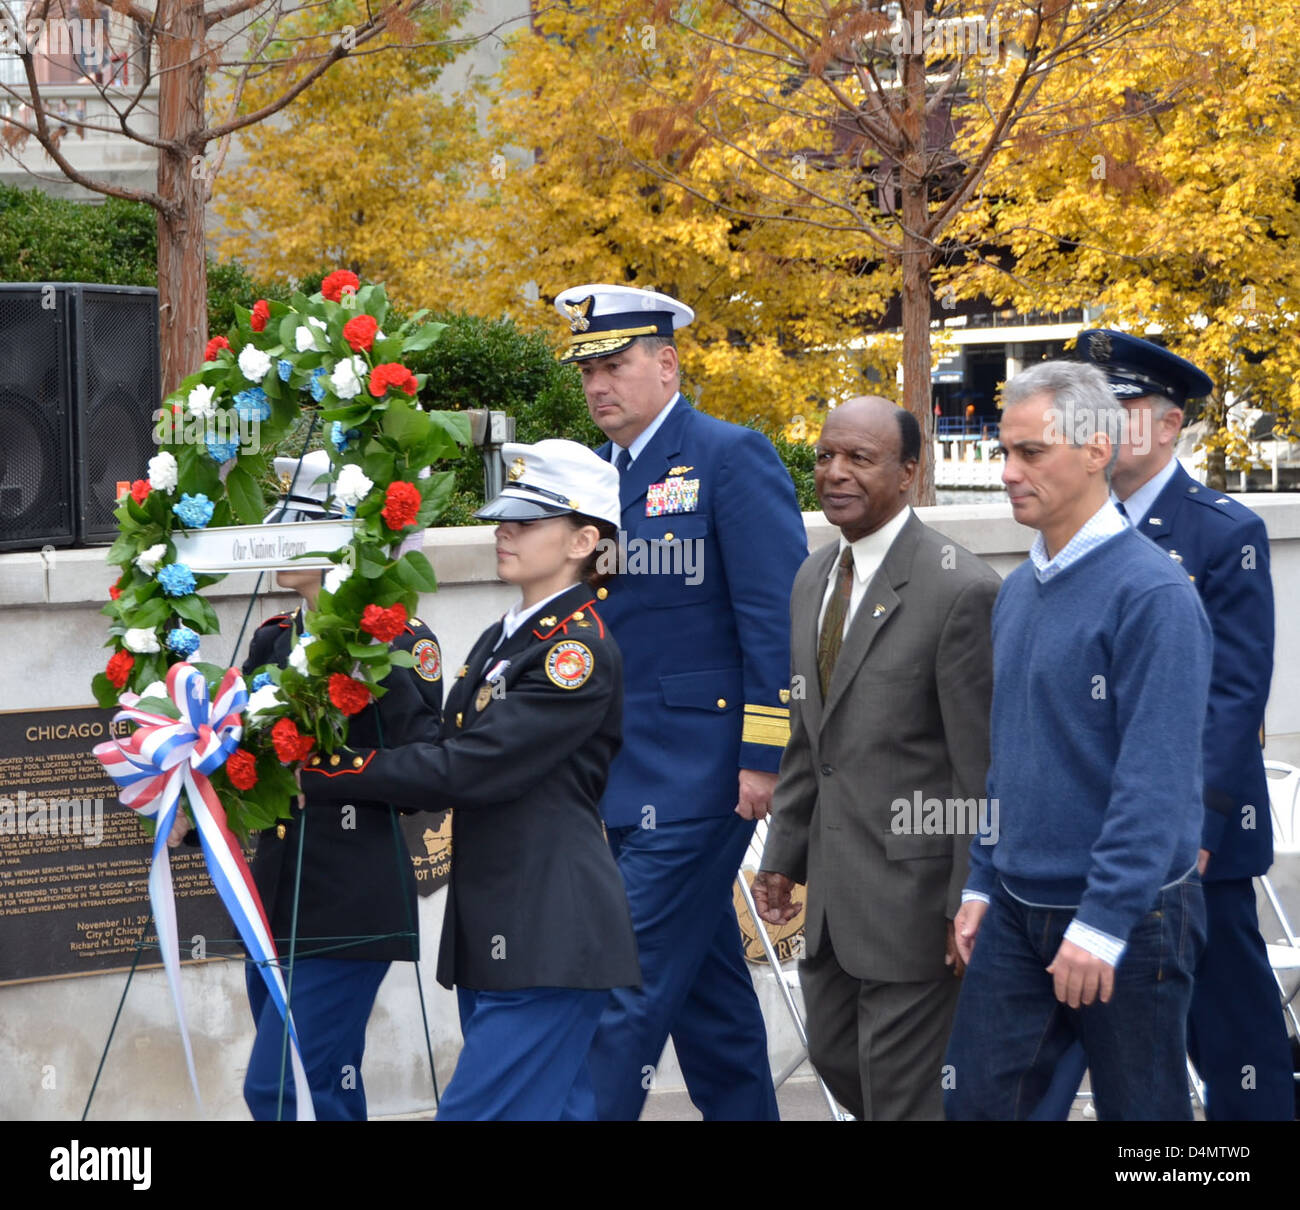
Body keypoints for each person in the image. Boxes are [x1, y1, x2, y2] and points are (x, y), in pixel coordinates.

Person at [302, 439, 641, 1120]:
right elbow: (436, 742)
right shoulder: (504, 637)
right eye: (503, 518)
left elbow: (468, 768)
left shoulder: (573, 651)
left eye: (528, 521)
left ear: (583, 539)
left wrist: (326, 772)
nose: (505, 531)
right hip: (505, 928)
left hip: (548, 931)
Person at [552, 283, 808, 1120]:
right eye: (587, 368)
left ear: (666, 364)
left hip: (702, 779)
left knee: (615, 987)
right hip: (621, 776)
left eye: (615, 364)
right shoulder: (597, 480)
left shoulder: (730, 457)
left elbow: (775, 621)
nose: (598, 384)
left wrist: (764, 758)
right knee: (713, 1009)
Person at [1030, 331, 1292, 1121]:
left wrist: (1196, 818)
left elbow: (1233, 694)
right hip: (1081, 837)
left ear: (1169, 425)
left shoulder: (1221, 531)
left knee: (1233, 1043)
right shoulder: (1068, 524)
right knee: (1056, 1047)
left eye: (1119, 407)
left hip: (1194, 847)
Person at [944, 359, 1213, 1121]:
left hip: (1131, 920)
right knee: (975, 1106)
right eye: (1004, 451)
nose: (1006, 472)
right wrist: (981, 880)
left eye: (1030, 452)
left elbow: (1154, 781)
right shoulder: (1020, 589)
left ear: (1097, 450)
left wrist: (1102, 924)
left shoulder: (1153, 594)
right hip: (1015, 906)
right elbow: (1011, 755)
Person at [752, 397, 1000, 1120]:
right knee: (837, 1060)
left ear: (910, 473)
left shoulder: (961, 589)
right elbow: (810, 740)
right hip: (831, 908)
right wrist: (783, 854)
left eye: (859, 458)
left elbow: (979, 768)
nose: (834, 472)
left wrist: (967, 899)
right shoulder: (811, 579)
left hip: (917, 909)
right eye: (826, 456)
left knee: (901, 1093)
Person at [241, 451, 445, 1121]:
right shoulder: (275, 641)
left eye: (296, 525)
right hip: (276, 895)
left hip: (350, 899)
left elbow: (427, 770)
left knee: (279, 1087)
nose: (276, 535)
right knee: (320, 1093)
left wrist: (323, 776)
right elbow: (249, 755)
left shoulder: (387, 639)